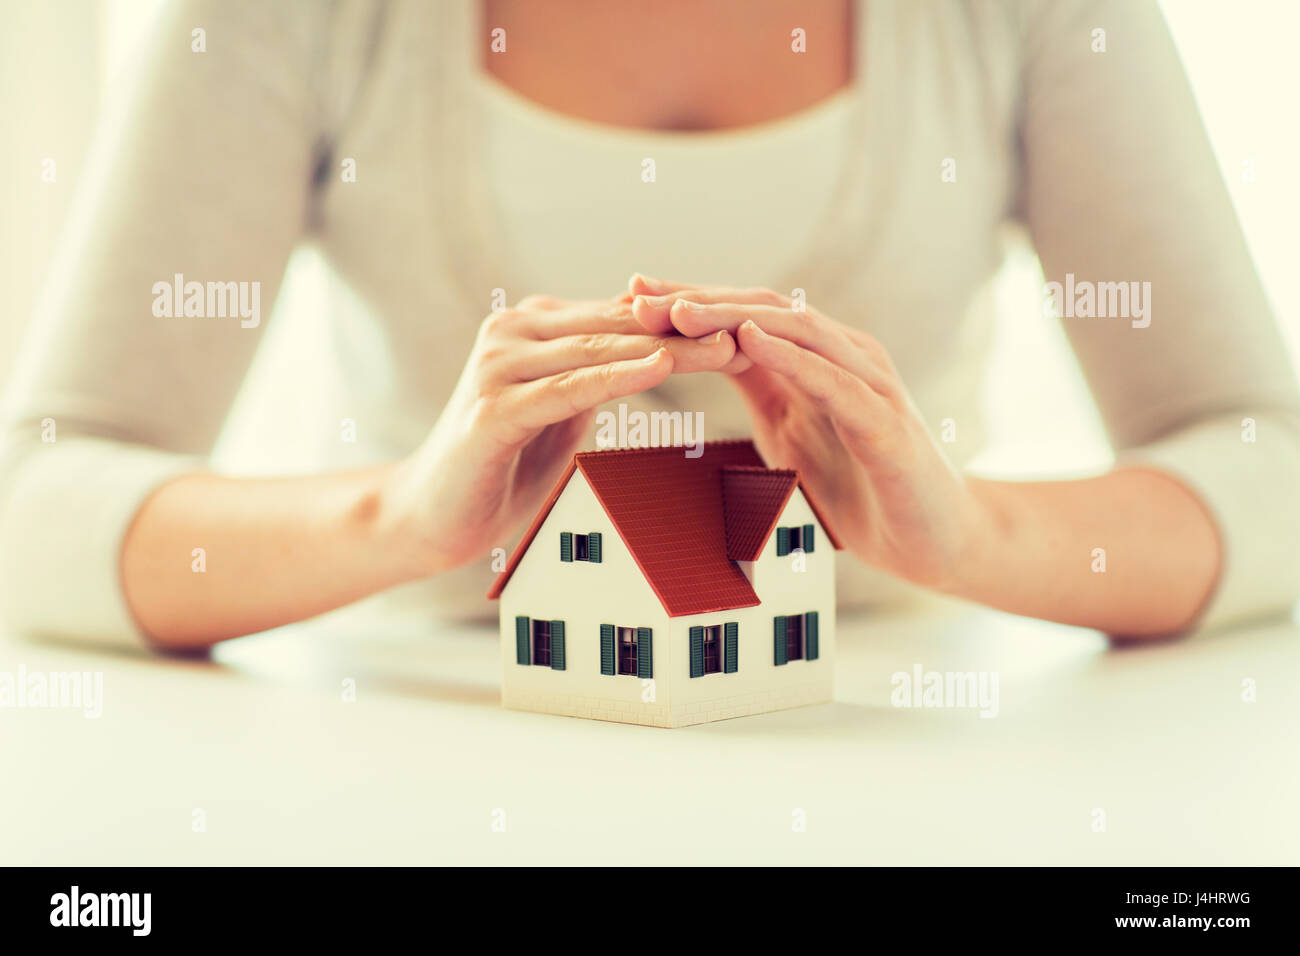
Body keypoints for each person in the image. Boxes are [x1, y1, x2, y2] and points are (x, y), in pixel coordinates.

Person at [2, 0, 1297, 651]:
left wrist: (975, 531)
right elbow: (35, 498)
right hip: (417, 754)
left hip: (910, 756)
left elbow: (1267, 459)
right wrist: (396, 520)